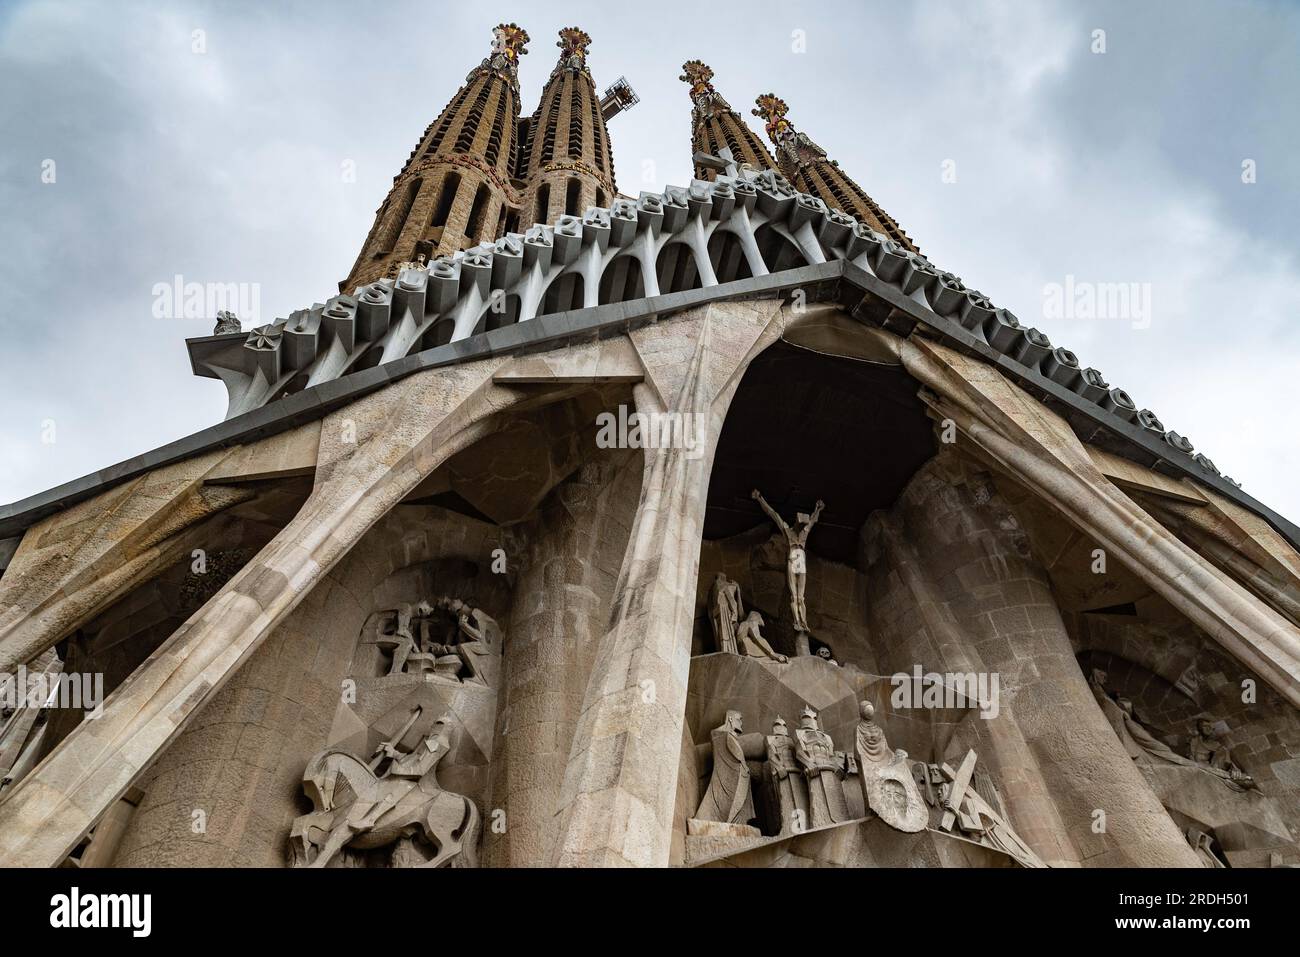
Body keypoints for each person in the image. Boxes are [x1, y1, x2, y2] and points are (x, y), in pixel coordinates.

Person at [752, 490, 824, 635]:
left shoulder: (803, 533)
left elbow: (813, 521)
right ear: (796, 523)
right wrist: (760, 499)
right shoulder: (788, 530)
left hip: (799, 558)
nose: (803, 526)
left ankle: (803, 622)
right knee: (795, 596)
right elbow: (773, 514)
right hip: (794, 557)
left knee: (800, 597)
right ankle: (797, 621)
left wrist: (818, 509)